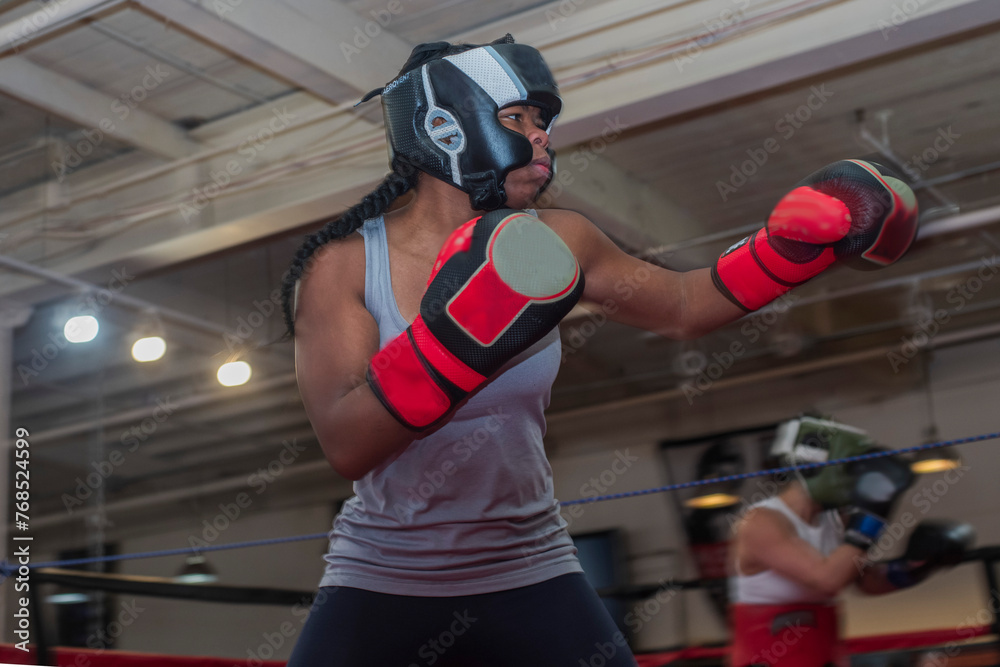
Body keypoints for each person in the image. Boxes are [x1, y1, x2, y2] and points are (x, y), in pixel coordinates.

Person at [278, 33, 918, 667]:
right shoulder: (344, 267)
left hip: (533, 565)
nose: (541, 138)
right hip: (385, 577)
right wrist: (457, 337)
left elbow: (685, 307)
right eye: (517, 118)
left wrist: (787, 251)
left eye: (543, 122)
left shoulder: (558, 239)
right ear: (445, 125)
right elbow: (348, 443)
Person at [728, 416, 975, 667]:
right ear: (815, 468)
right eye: (851, 471)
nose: (855, 482)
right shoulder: (761, 521)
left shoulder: (835, 519)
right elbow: (826, 579)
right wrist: (871, 519)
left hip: (823, 656)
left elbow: (864, 581)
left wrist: (915, 566)